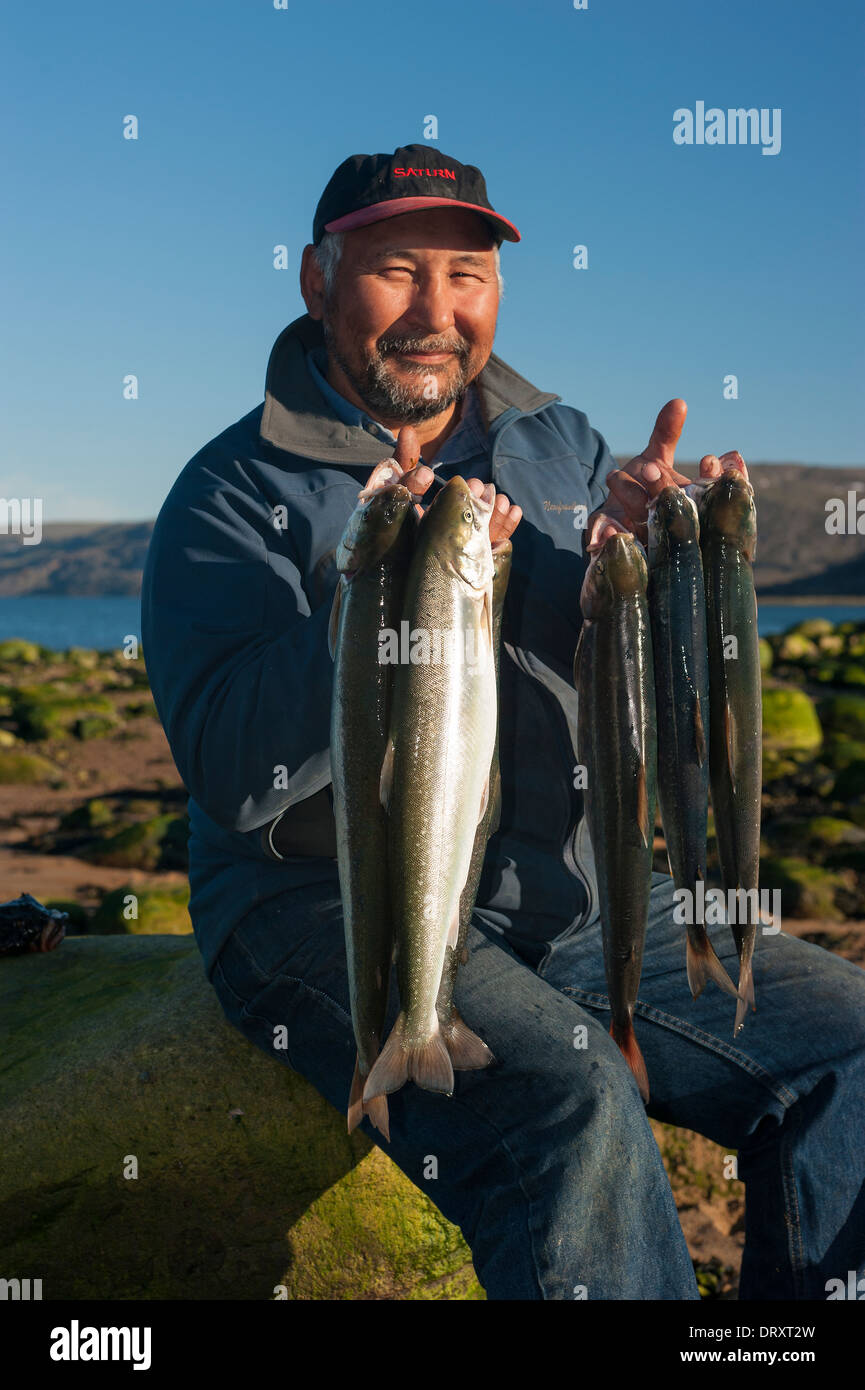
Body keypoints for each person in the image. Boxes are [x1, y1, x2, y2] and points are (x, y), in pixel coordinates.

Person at [141, 144, 865, 1301]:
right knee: (573, 1106)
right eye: (396, 272)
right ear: (315, 280)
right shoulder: (231, 491)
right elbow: (232, 768)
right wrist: (383, 588)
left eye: (467, 278)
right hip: (325, 907)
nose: (437, 312)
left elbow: (606, 666)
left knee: (853, 1046)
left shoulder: (558, 443)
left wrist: (639, 553)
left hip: (570, 896)